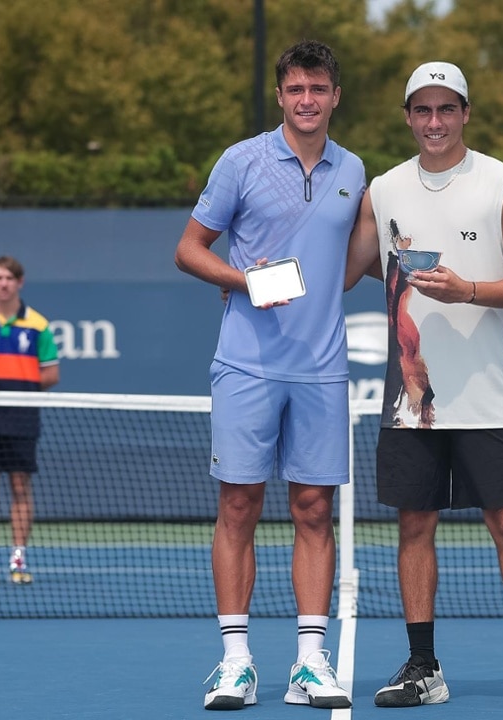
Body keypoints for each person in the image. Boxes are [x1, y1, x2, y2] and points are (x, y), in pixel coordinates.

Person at [345, 61, 503, 711]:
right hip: (411, 401)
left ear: (465, 112)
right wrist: (254, 278)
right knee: (415, 526)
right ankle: (423, 668)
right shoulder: (382, 189)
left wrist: (466, 288)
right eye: (422, 110)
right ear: (409, 116)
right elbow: (346, 267)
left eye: (446, 109)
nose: (434, 122)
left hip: (486, 395)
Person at [173, 39, 363, 711]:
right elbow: (189, 250)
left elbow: (360, 258)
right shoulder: (241, 161)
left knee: (313, 509)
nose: (306, 100)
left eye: (318, 89)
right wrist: (245, 281)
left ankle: (310, 664)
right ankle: (235, 663)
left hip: (320, 371)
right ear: (281, 96)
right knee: (238, 506)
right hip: (247, 364)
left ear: (335, 97)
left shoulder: (355, 171)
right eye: (295, 90)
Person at [0, 255, 60, 586]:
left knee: (20, 485)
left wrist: (17, 382)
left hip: (21, 415)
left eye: (9, 278)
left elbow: (52, 374)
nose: (3, 283)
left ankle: (18, 559)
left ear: (20, 282)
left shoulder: (38, 325)